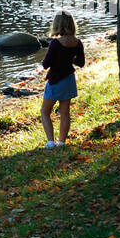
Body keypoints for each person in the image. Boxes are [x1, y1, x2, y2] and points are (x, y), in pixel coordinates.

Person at [40, 12, 84, 148]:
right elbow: (80, 63)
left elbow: (46, 64)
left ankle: (50, 142)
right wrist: (69, 58)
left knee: (45, 112)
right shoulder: (77, 42)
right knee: (65, 112)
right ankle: (61, 142)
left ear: (57, 25)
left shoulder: (55, 43)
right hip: (69, 80)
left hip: (56, 81)